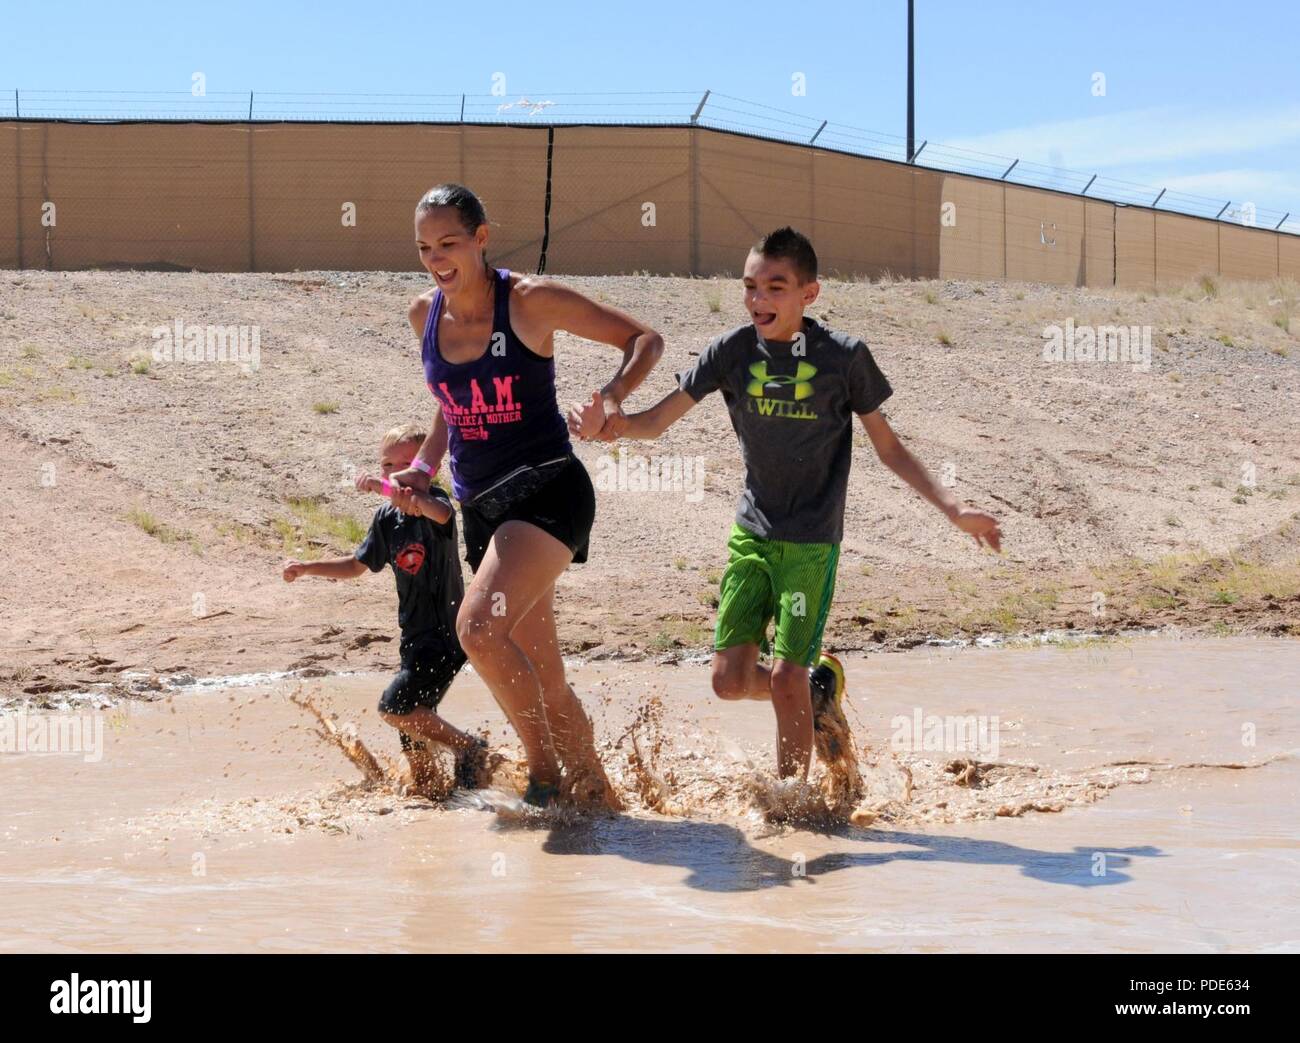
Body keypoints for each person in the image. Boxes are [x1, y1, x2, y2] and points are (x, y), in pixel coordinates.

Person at [572, 227, 1002, 780]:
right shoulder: (730, 351)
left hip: (810, 544)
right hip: (753, 531)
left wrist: (953, 510)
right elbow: (656, 421)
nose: (759, 300)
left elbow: (889, 448)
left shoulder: (843, 358)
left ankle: (793, 804)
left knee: (783, 679)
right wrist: (611, 428)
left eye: (775, 287)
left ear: (810, 294)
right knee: (728, 681)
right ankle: (820, 688)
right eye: (750, 287)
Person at [388, 183, 665, 808]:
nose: (436, 259)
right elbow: (451, 404)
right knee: (545, 675)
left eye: (449, 243)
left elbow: (645, 339)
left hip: (548, 491)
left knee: (477, 629)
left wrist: (612, 400)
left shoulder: (532, 301)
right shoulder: (422, 315)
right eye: (425, 247)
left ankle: (542, 776)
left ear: (482, 237)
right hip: (483, 509)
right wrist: (425, 466)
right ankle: (599, 794)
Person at [282, 423, 484, 794]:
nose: (395, 474)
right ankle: (437, 796)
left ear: (428, 470)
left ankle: (470, 749)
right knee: (412, 732)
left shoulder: (436, 505)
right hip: (414, 638)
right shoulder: (386, 520)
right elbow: (356, 566)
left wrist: (386, 489)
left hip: (445, 637)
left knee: (395, 708)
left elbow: (440, 515)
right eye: (387, 466)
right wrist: (308, 567)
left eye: (406, 465)